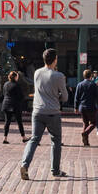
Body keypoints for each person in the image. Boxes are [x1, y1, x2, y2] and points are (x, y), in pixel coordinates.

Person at [20, 48, 68, 180]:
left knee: (34, 139)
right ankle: (55, 170)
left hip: (37, 111)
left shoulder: (37, 73)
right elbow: (65, 97)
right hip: (52, 112)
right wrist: (56, 95)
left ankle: (25, 164)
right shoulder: (59, 76)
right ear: (55, 59)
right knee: (56, 141)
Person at [74, 69, 98, 145]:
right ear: (91, 76)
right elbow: (97, 97)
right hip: (91, 107)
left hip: (82, 107)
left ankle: (86, 141)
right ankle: (85, 133)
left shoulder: (80, 84)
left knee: (85, 123)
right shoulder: (93, 85)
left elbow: (76, 97)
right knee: (94, 123)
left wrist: (76, 107)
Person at [1, 70, 28, 143]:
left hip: (6, 104)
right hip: (15, 105)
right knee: (19, 122)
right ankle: (24, 137)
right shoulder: (17, 85)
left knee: (7, 122)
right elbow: (21, 96)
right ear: (16, 77)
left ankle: (5, 138)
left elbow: (4, 94)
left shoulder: (5, 84)